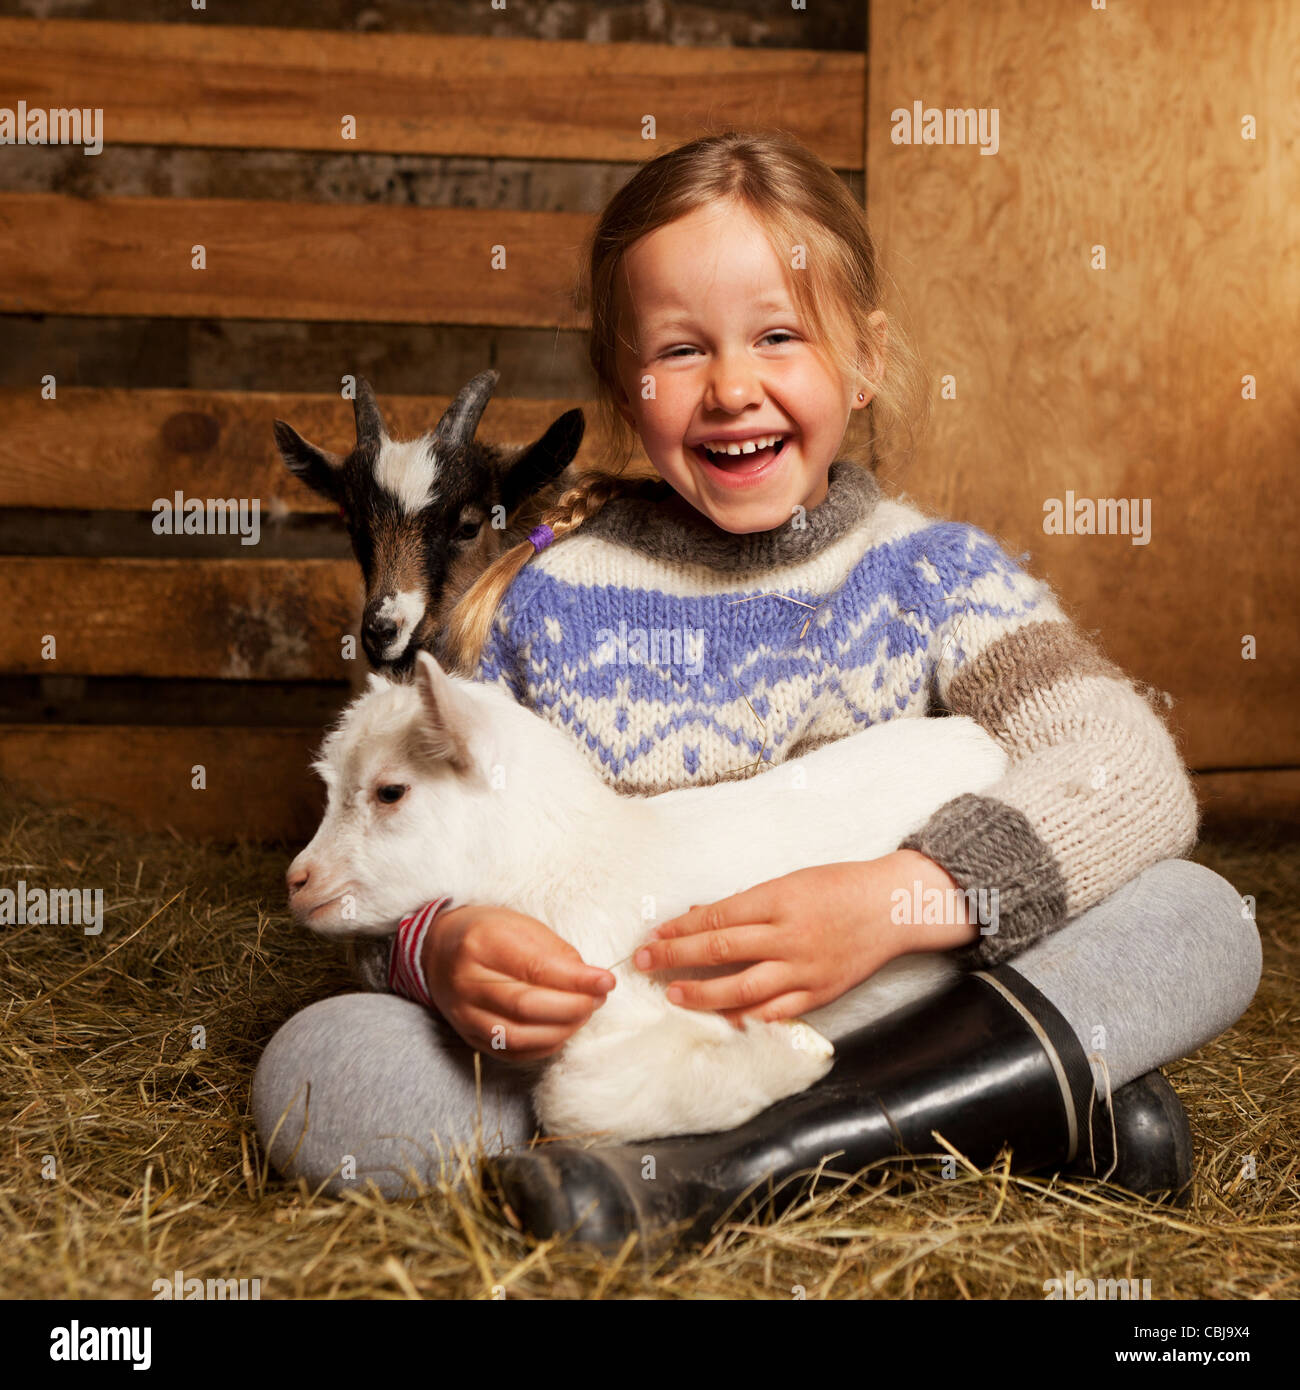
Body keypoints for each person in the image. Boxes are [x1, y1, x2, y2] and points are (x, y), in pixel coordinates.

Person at [253, 130, 1261, 1250]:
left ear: (864, 359)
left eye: (778, 335)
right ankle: (1002, 1101)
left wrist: (903, 898)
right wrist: (438, 951)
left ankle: (734, 1163)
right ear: (623, 382)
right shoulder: (533, 600)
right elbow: (401, 839)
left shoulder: (936, 577)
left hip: (899, 1001)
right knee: (327, 1068)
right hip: (639, 1028)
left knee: (1197, 917)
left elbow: (1124, 767)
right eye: (682, 350)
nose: (733, 387)